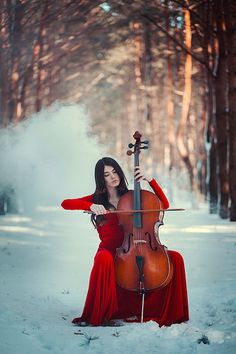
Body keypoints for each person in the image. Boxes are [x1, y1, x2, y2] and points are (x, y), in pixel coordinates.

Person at [61, 157, 189, 326]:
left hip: (135, 249)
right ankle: (102, 314)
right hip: (109, 252)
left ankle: (173, 314)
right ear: (101, 178)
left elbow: (163, 205)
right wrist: (90, 206)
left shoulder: (131, 197)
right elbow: (65, 203)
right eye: (107, 174)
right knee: (103, 258)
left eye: (114, 171)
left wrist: (150, 180)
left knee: (176, 258)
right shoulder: (96, 199)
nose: (112, 176)